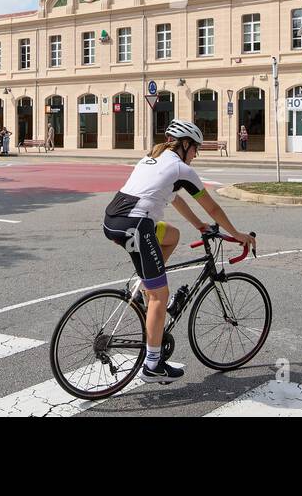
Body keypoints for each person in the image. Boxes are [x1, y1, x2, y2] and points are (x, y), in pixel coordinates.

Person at [102, 119, 256, 384]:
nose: (196, 154)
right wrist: (237, 235)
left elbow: (176, 199)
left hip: (113, 220)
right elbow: (214, 208)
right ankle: (152, 364)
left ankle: (145, 289)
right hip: (136, 225)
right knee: (161, 295)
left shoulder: (154, 159)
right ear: (184, 145)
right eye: (196, 148)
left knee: (172, 235)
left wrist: (199, 226)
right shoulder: (181, 169)